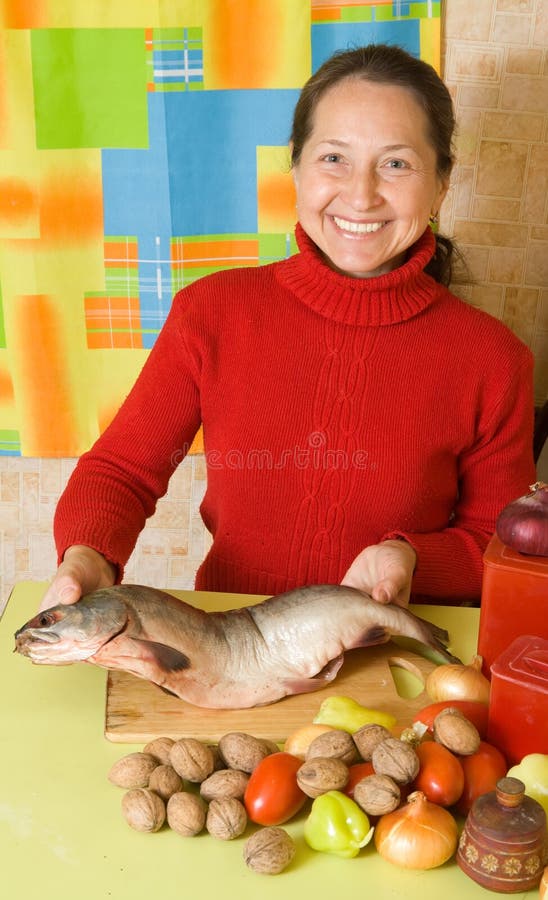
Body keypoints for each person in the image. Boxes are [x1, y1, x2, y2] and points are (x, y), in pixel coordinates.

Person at [39, 44, 536, 614]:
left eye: (395, 163)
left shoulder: (494, 359)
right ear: (296, 167)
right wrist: (86, 558)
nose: (360, 193)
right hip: (230, 646)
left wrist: (412, 558)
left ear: (441, 184)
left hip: (388, 656)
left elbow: (501, 546)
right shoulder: (211, 312)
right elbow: (122, 471)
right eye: (333, 158)